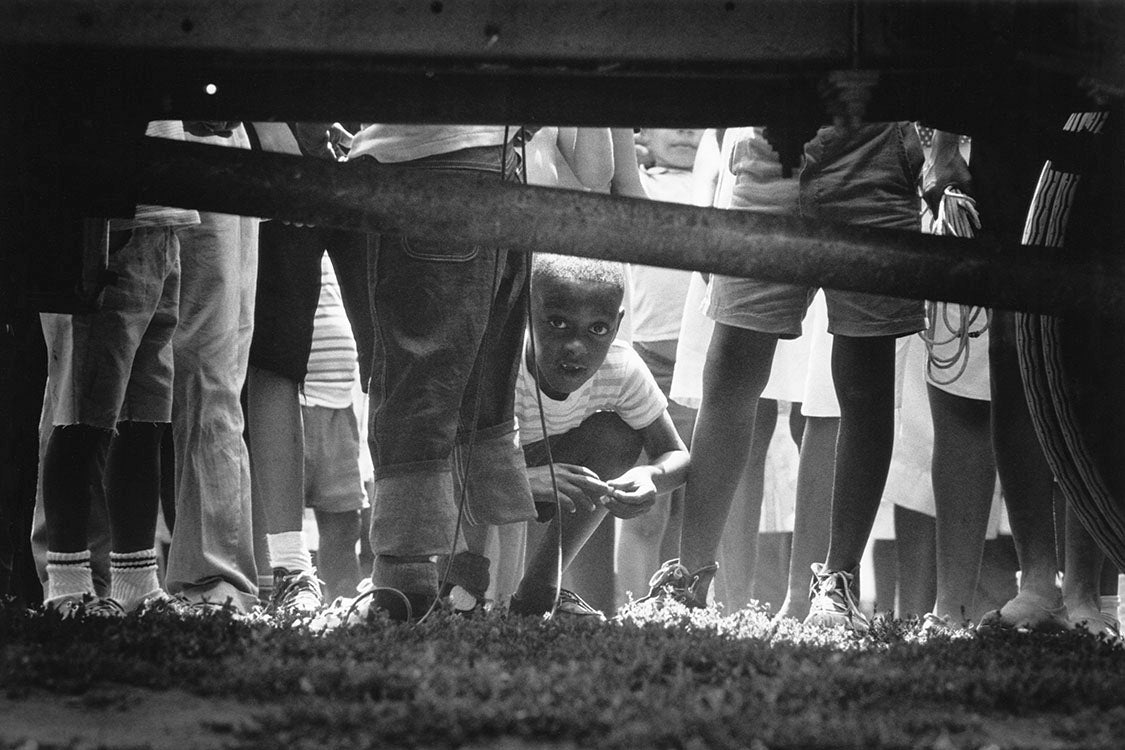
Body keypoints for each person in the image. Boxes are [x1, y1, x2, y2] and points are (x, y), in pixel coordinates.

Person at [641, 123, 925, 634]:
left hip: (875, 149)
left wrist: (942, 144)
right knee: (730, 368)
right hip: (770, 146)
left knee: (864, 380)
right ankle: (688, 581)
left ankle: (837, 584)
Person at [449, 253, 689, 619]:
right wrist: (523, 480)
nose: (576, 346)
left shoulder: (620, 368)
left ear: (617, 324)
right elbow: (449, 462)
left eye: (598, 329)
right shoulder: (499, 365)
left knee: (619, 435)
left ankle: (541, 590)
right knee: (465, 601)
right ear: (527, 313)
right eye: (558, 323)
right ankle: (458, 590)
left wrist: (650, 477)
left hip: (539, 468)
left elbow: (676, 455)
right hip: (473, 477)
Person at [39, 121, 199, 615]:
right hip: (107, 220)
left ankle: (137, 581)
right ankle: (66, 585)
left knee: (146, 413)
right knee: (84, 407)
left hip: (162, 219)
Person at [244, 121, 373, 618]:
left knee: (392, 351)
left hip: (357, 151)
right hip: (287, 151)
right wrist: (275, 126)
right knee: (276, 354)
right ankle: (290, 570)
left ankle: (401, 565)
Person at [164, 120, 262, 613]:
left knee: (219, 369)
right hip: (171, 134)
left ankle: (213, 572)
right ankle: (75, 571)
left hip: (227, 136)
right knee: (103, 364)